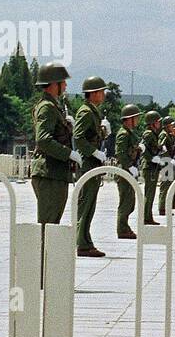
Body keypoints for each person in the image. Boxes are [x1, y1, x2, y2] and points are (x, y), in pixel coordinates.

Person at [32, 62, 79, 227]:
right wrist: (68, 154)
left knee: (52, 224)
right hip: (49, 173)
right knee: (48, 225)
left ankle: (47, 253)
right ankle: (43, 253)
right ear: (53, 84)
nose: (65, 85)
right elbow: (43, 139)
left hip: (55, 173)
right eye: (63, 82)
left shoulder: (54, 107)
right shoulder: (47, 107)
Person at [72, 76, 110, 257]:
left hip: (92, 163)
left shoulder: (93, 111)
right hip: (87, 163)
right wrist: (94, 153)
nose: (103, 95)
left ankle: (85, 241)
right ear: (93, 93)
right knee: (85, 204)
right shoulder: (86, 112)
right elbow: (78, 138)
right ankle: (81, 242)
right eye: (101, 91)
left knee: (90, 205)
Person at [114, 104, 143, 239]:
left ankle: (124, 226)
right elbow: (120, 153)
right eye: (136, 118)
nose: (137, 120)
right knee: (125, 202)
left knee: (130, 202)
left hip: (129, 170)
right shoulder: (123, 134)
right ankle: (122, 228)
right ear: (129, 119)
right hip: (124, 171)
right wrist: (129, 166)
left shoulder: (130, 133)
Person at [138, 111, 164, 226]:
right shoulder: (148, 134)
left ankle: (148, 216)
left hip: (152, 166)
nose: (160, 124)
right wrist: (151, 158)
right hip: (149, 167)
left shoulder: (153, 133)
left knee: (151, 193)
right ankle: (146, 217)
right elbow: (143, 149)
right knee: (149, 193)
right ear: (153, 123)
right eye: (158, 122)